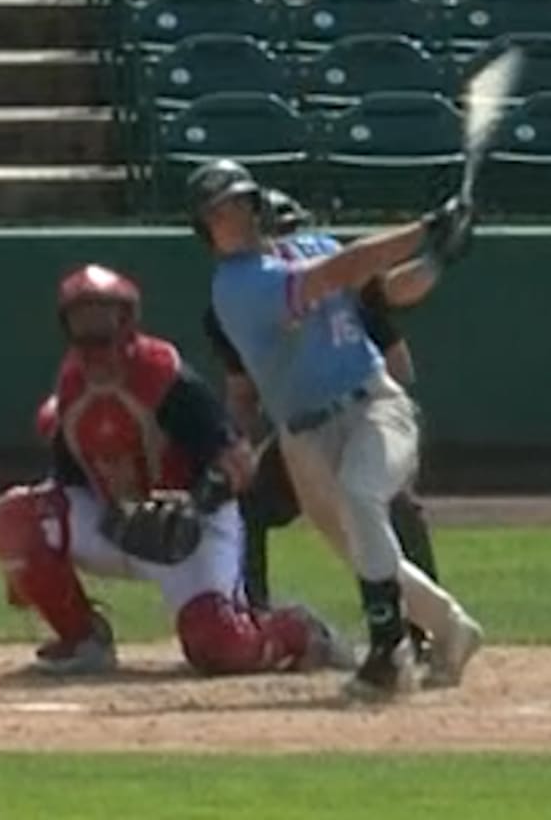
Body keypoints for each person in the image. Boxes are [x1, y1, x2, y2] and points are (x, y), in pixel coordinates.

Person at [199, 159, 483, 700]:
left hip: (372, 405)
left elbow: (384, 291)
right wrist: (427, 229)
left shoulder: (314, 248)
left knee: (361, 495)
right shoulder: (236, 286)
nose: (231, 217)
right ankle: (451, 630)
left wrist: (438, 252)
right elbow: (334, 276)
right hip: (303, 435)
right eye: (217, 212)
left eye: (237, 204)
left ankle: (386, 654)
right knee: (363, 549)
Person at [0, 263, 354, 677]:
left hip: (193, 530)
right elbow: (67, 484)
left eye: (103, 319)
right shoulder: (72, 385)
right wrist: (29, 563)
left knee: (218, 648)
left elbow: (239, 460)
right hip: (116, 522)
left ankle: (296, 630)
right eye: (81, 320)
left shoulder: (165, 378)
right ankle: (82, 639)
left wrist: (194, 505)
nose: (93, 334)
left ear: (127, 321)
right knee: (18, 518)